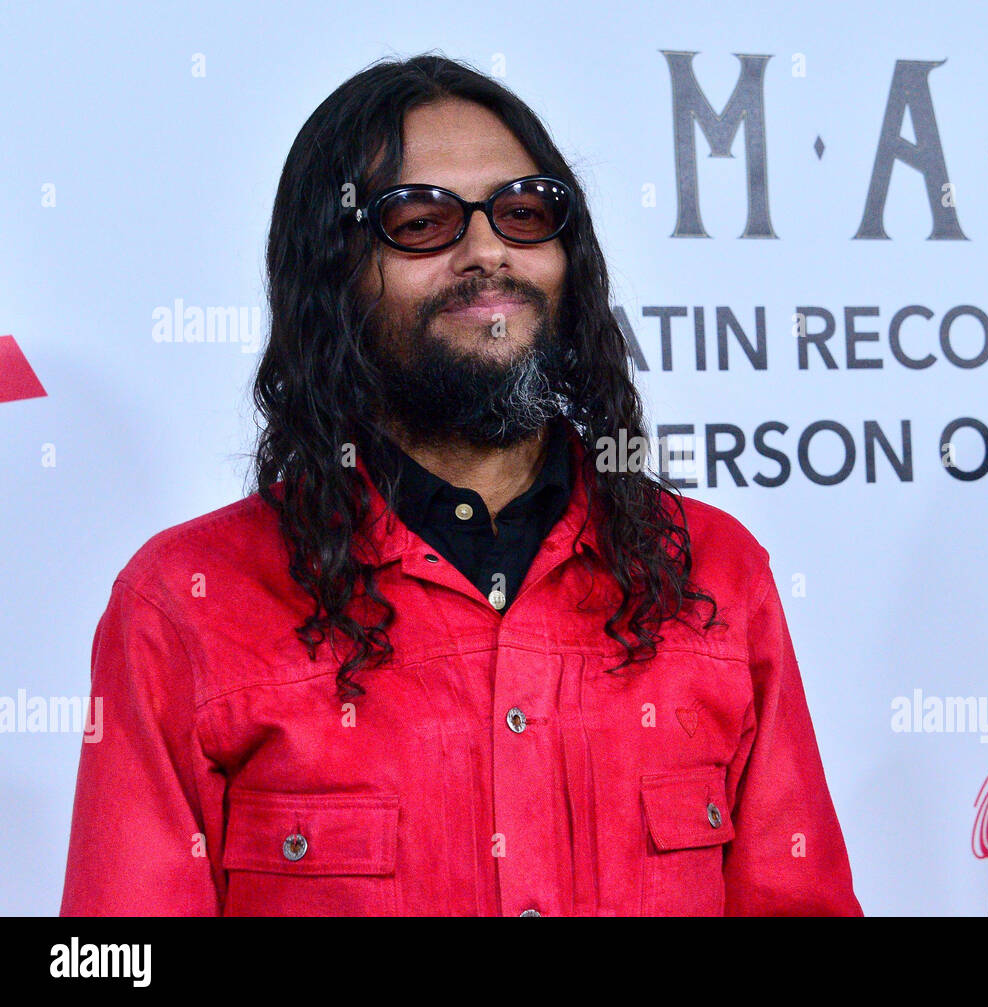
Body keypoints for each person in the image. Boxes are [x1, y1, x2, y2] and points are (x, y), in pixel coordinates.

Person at [58, 53, 861, 917]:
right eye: (420, 221)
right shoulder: (186, 603)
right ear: (331, 275)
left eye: (523, 213)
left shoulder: (713, 574)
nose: (487, 252)